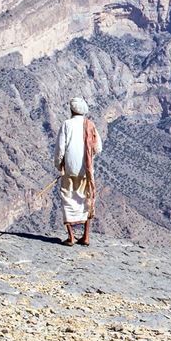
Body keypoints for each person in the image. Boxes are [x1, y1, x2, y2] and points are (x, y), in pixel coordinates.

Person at [54, 97, 102, 246]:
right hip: (86, 170)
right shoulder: (90, 125)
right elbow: (98, 147)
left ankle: (71, 237)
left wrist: (59, 164)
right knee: (87, 199)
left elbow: (60, 148)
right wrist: (88, 156)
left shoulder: (66, 124)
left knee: (67, 198)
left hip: (69, 169)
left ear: (71, 110)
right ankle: (86, 237)